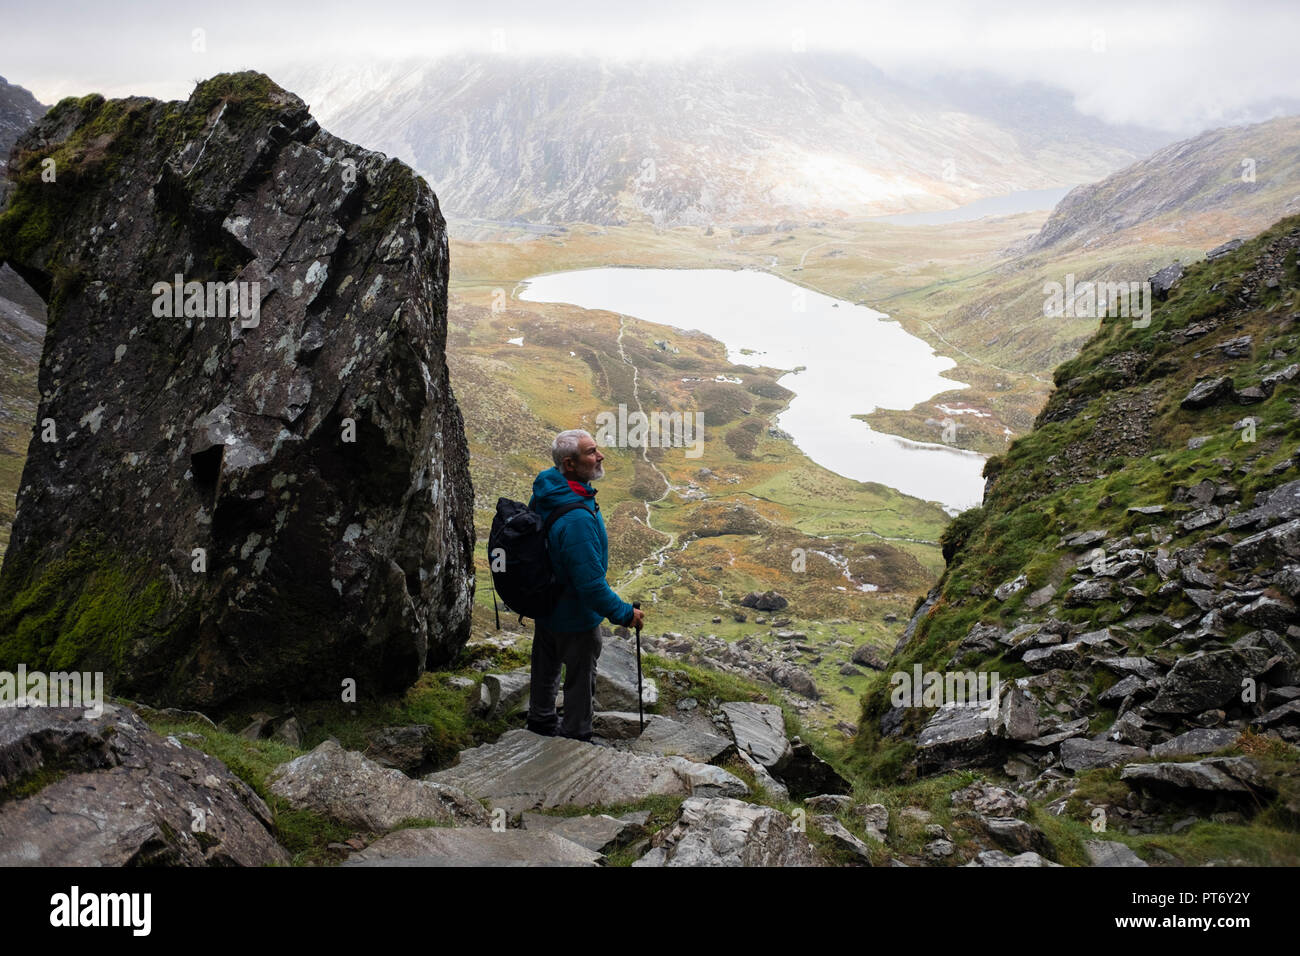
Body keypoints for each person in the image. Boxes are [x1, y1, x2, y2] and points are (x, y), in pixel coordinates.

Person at [524, 428, 645, 742]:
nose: (600, 455)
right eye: (591, 452)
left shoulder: (548, 490)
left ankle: (539, 723)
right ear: (569, 464)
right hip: (575, 616)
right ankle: (575, 737)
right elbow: (590, 586)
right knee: (579, 680)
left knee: (545, 667)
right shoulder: (576, 519)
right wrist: (624, 614)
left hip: (546, 602)